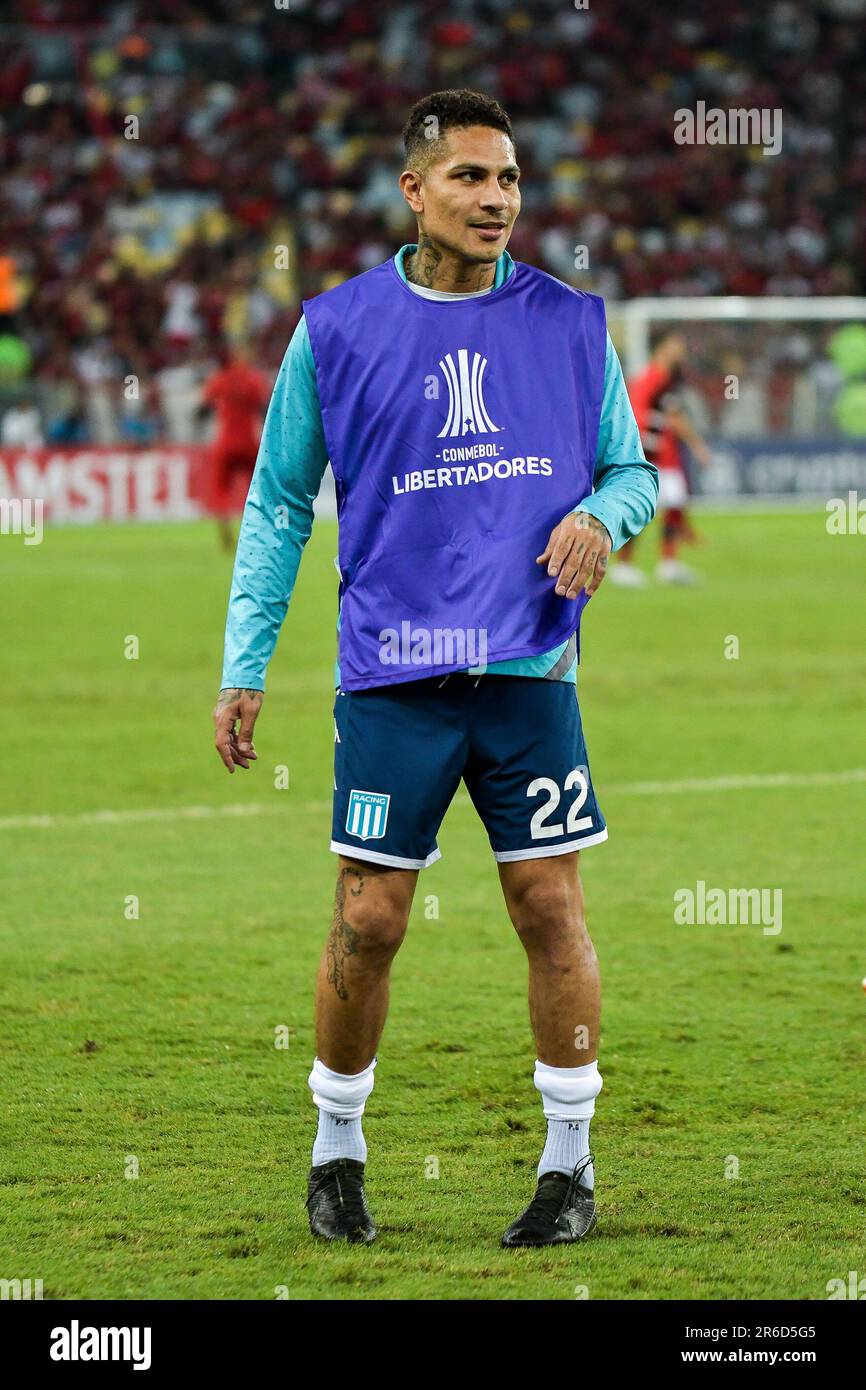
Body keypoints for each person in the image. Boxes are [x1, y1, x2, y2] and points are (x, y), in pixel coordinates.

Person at [213, 89, 658, 1248]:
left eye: (507, 179)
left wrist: (603, 520)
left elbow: (632, 469)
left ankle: (568, 1171)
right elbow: (274, 504)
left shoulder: (567, 323)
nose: (496, 199)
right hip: (391, 672)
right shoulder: (337, 327)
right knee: (368, 920)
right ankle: (336, 1154)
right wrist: (242, 662)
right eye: (469, 177)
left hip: (525, 672)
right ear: (412, 191)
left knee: (549, 906)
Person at [612, 328, 710, 587]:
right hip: (652, 453)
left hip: (665, 453)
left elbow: (670, 416)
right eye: (676, 345)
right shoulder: (652, 378)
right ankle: (623, 564)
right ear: (663, 348)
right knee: (644, 508)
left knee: (675, 504)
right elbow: (637, 411)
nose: (681, 351)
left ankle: (669, 562)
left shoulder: (666, 378)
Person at [200, 344, 269, 550]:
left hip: (226, 443)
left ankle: (226, 537)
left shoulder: (220, 379)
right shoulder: (253, 379)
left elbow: (203, 408)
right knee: (258, 492)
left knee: (220, 491)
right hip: (249, 443)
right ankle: (258, 534)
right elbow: (266, 407)